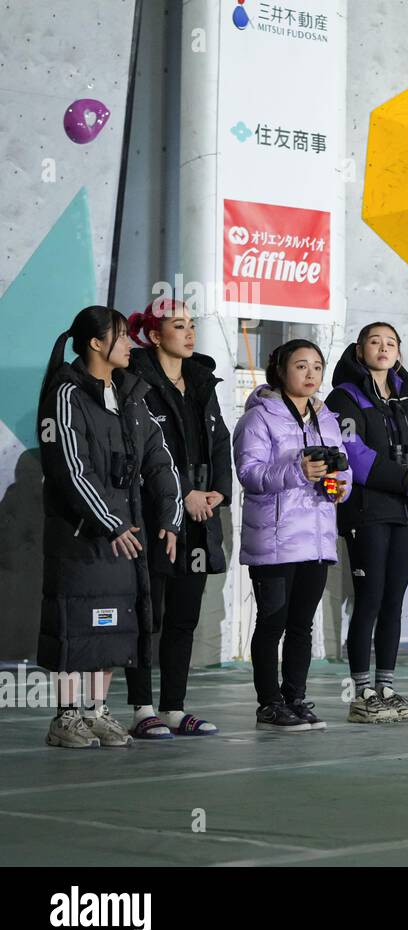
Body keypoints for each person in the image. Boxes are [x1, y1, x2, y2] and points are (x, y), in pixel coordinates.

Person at [38, 306, 182, 748]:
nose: (128, 345)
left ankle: (98, 712)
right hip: (84, 538)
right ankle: (66, 717)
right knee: (76, 622)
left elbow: (160, 461)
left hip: (127, 535)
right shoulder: (66, 393)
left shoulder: (131, 395)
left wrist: (170, 517)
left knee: (113, 626)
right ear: (96, 344)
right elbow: (69, 470)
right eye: (120, 337)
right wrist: (110, 522)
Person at [326, 322, 408, 723]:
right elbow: (354, 455)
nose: (383, 348)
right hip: (369, 511)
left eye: (390, 343)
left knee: (394, 602)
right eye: (374, 342)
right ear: (360, 351)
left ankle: (387, 687)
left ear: (399, 352)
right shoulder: (344, 397)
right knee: (370, 598)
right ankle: (362, 692)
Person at [122, 298, 231, 739]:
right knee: (150, 614)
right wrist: (180, 494)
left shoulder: (202, 380)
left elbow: (220, 442)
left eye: (192, 325)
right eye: (179, 326)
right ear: (153, 335)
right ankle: (140, 707)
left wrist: (217, 493)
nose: (190, 333)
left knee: (185, 615)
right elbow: (140, 449)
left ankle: (172, 707)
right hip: (157, 513)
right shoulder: (134, 380)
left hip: (202, 513)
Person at [234, 340, 352, 731]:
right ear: (281, 370)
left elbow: (344, 471)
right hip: (275, 538)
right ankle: (269, 703)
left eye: (317, 366)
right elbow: (250, 475)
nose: (311, 374)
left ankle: (295, 698)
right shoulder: (258, 418)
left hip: (316, 538)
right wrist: (299, 471)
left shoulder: (326, 418)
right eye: (301, 366)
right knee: (272, 624)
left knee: (303, 624)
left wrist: (338, 484)